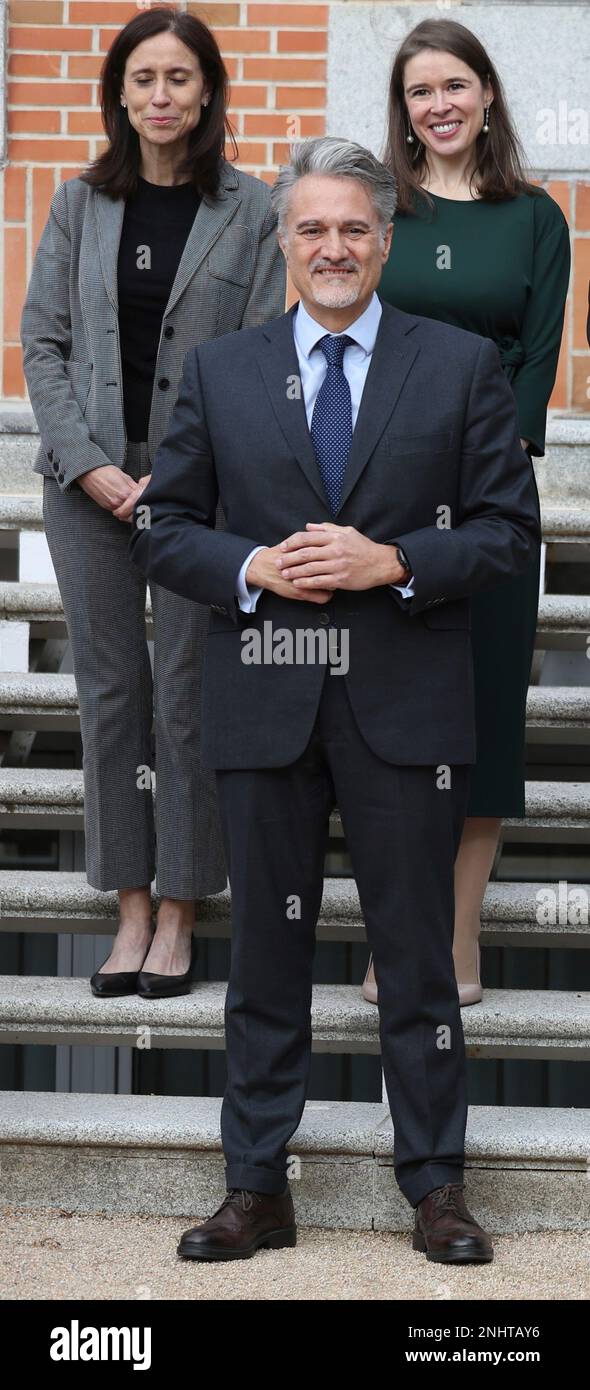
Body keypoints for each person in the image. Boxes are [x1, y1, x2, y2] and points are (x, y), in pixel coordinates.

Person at [129, 137, 541, 1263]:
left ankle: (435, 1186)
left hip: (404, 703)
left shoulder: (455, 366)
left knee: (414, 958)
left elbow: (508, 532)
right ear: (282, 244)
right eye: (310, 228)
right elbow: (166, 530)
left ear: (385, 240)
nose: (333, 247)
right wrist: (252, 570)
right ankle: (256, 1186)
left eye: (354, 227)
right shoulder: (221, 370)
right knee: (265, 955)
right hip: (264, 698)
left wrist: (394, 562)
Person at [20, 6, 285, 998]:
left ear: (207, 90)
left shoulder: (252, 209)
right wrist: (86, 462)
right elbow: (40, 343)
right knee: (111, 696)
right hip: (86, 484)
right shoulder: (78, 204)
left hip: (198, 491)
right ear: (120, 95)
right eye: (144, 79)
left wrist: (178, 475)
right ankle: (127, 907)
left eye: (179, 78)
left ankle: (180, 911)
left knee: (185, 695)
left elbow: (260, 348)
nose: (161, 96)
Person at [362, 17, 570, 1009]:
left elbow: (534, 366)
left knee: (483, 711)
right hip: (377, 496)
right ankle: (392, 934)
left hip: (489, 496)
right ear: (400, 111)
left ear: (485, 95)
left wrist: (489, 467)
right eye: (417, 91)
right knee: (385, 717)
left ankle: (455, 933)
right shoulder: (375, 213)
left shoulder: (535, 218)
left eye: (453, 85)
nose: (436, 104)